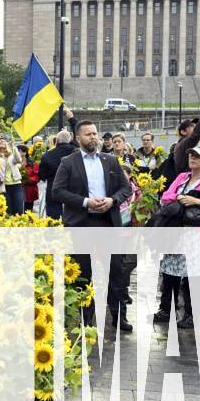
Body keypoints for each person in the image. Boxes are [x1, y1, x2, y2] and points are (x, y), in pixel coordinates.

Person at [50, 120, 133, 330]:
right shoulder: (68, 162)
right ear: (78, 138)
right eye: (88, 134)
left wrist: (112, 200)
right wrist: (85, 202)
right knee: (84, 272)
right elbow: (57, 191)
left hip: (107, 222)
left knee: (115, 270)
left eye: (95, 133)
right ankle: (86, 318)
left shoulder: (110, 160)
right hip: (81, 223)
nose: (94, 137)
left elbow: (126, 188)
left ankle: (119, 315)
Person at [157, 144, 200, 329]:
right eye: (191, 155)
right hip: (177, 231)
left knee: (193, 277)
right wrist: (180, 198)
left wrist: (199, 201)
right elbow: (165, 197)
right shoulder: (181, 177)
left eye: (197, 156)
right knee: (170, 272)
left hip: (198, 235)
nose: (192, 158)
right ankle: (166, 309)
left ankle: (191, 314)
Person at [160, 94, 200, 181]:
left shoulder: (181, 144)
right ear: (183, 132)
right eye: (192, 126)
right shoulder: (185, 144)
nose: (195, 127)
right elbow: (197, 133)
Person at [39, 127, 76, 220]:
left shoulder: (47, 155)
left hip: (53, 188)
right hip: (74, 189)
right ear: (70, 139)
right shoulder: (76, 152)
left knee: (53, 220)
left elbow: (42, 175)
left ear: (57, 140)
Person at [0, 135, 24, 215]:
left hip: (16, 184)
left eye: (3, 141)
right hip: (3, 186)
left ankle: (18, 226)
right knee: (7, 211)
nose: (1, 142)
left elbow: (18, 160)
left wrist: (13, 147)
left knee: (19, 210)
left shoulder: (11, 155)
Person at [19, 144, 40, 213]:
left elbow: (37, 177)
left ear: (25, 152)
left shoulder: (32, 163)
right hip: (17, 190)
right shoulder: (14, 162)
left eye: (19, 151)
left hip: (29, 190)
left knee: (28, 211)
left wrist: (27, 179)